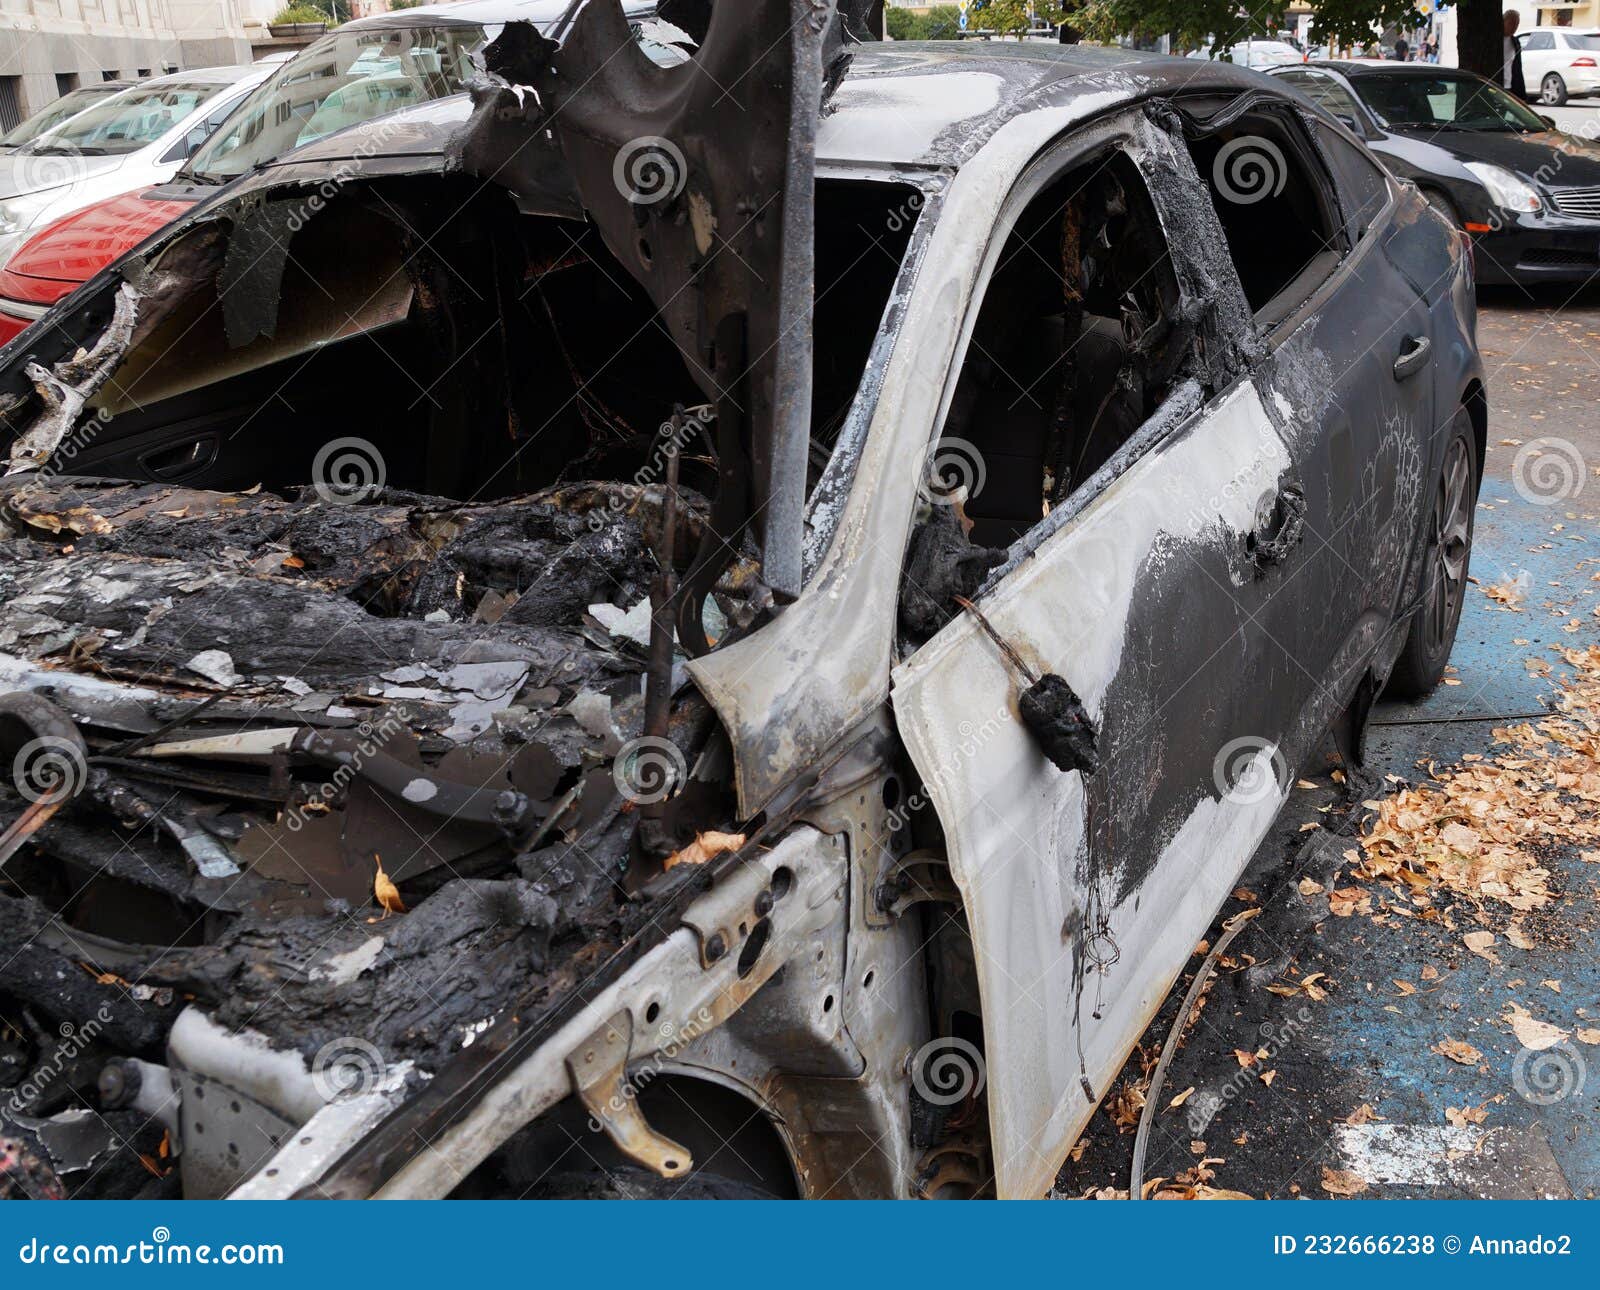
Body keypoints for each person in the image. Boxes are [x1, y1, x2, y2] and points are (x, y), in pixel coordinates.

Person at [1504, 9, 1528, 98]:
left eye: (1517, 24)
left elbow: (1518, 68)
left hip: (1509, 87)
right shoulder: (1494, 40)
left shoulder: (1515, 42)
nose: (1514, 27)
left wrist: (1521, 94)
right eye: (1511, 23)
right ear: (1503, 22)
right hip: (1494, 84)